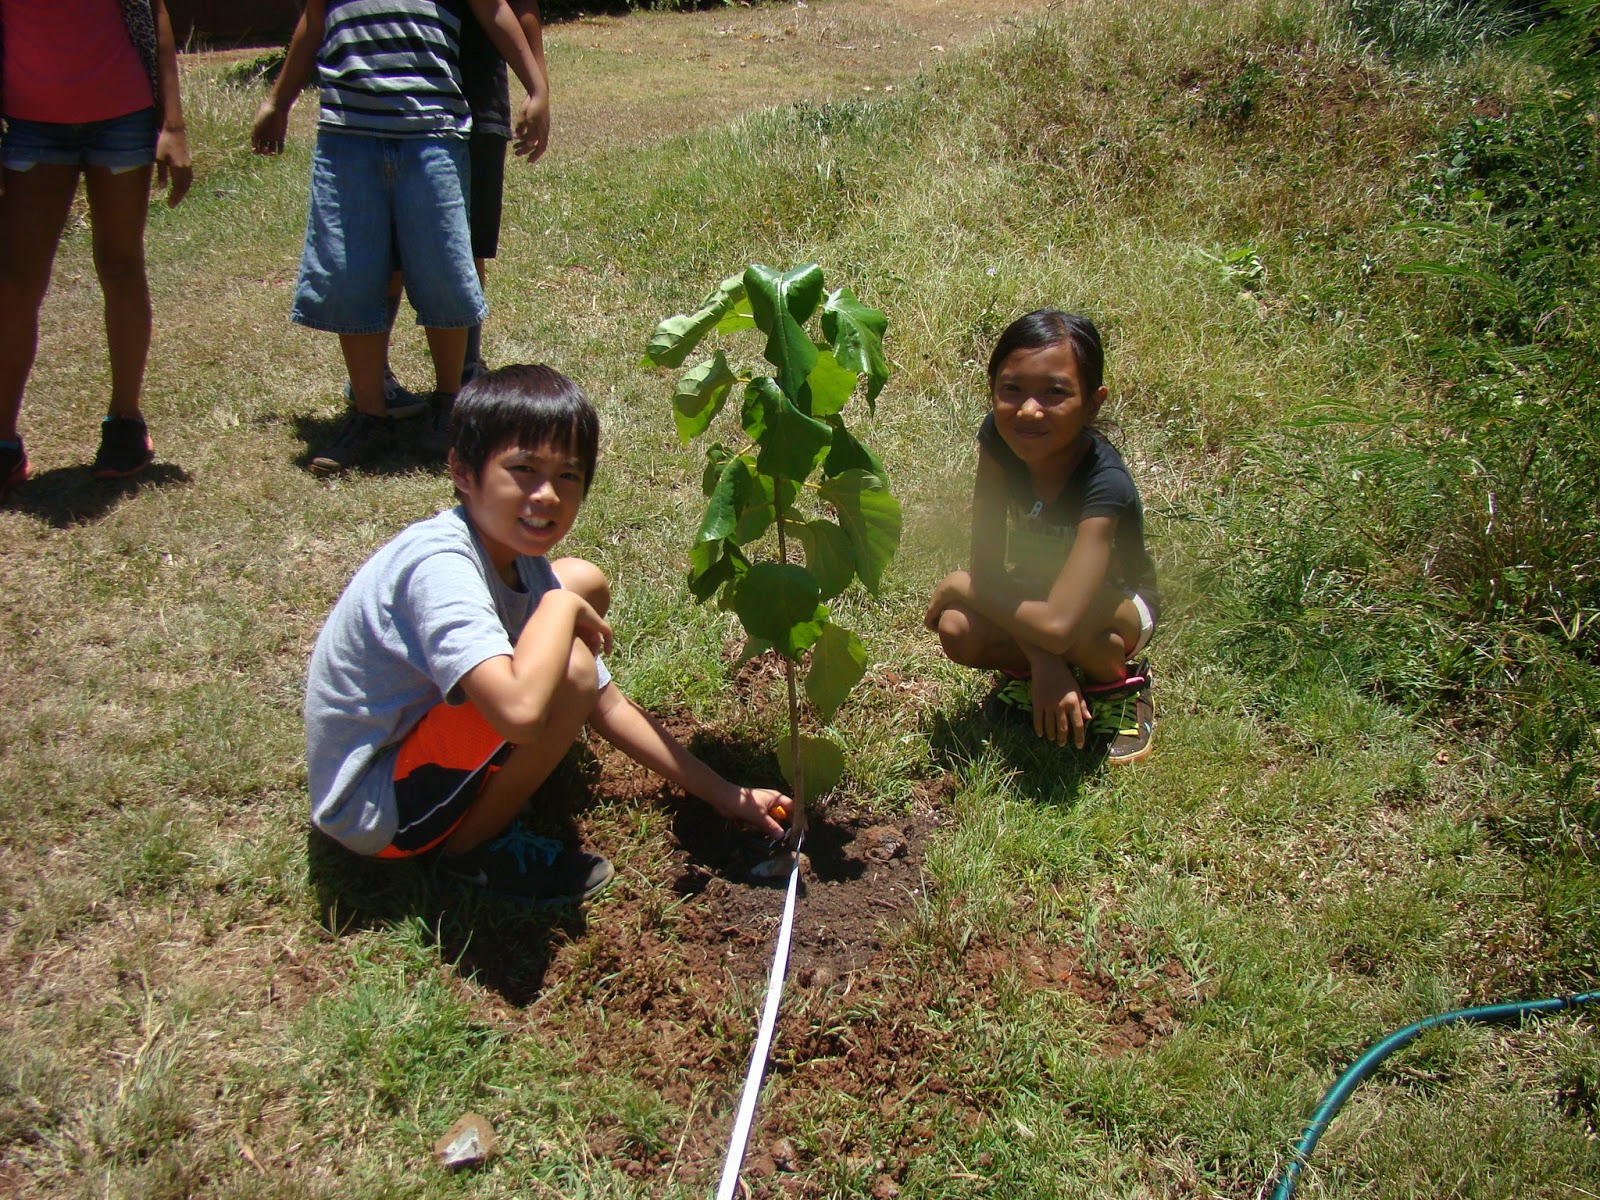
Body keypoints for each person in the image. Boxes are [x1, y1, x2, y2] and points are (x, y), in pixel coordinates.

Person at [305, 364, 790, 904]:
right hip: (377, 811)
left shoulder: (513, 555)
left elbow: (606, 704)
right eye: (523, 469)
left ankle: (512, 766)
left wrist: (727, 796)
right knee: (569, 656)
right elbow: (519, 712)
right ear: (463, 471)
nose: (547, 496)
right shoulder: (440, 569)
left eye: (568, 476)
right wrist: (559, 609)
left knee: (581, 581)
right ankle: (470, 854)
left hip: (415, 748)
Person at [249, 0, 549, 475]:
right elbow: (312, 21)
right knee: (352, 274)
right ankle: (370, 413)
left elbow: (494, 9)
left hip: (433, 131)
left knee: (444, 270)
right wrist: (277, 100)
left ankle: (450, 404)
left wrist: (537, 86)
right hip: (347, 135)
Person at [925, 310, 1159, 764]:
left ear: (1093, 403)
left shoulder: (1104, 483)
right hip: (1038, 591)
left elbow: (1058, 623)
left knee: (1079, 632)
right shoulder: (997, 437)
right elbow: (989, 562)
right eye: (1011, 390)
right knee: (958, 628)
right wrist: (1045, 663)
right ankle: (1037, 676)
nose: (1029, 410)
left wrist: (960, 583)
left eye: (1055, 393)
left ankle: (1119, 688)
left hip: (1113, 607)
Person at [0, 0, 192, 501]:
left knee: (120, 266)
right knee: (16, 283)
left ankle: (125, 423)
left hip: (122, 120)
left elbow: (155, 16)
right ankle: (3, 440)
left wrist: (173, 126)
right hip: (29, 124)